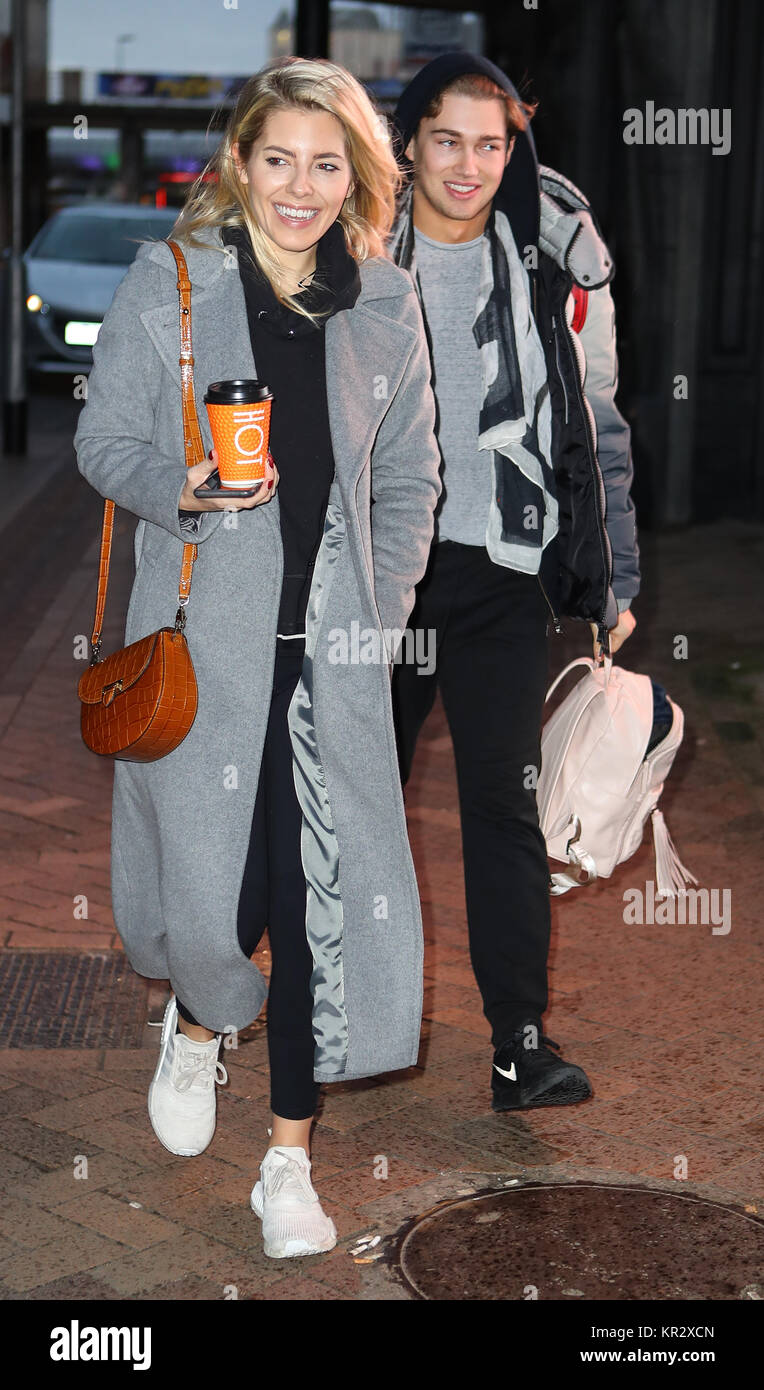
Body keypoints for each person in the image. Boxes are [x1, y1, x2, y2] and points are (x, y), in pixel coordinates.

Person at [74, 56, 441, 1259]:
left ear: (357, 177)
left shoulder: (383, 303)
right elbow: (103, 437)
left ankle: (288, 1160)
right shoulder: (172, 283)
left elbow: (406, 483)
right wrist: (173, 485)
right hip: (202, 651)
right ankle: (195, 1015)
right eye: (278, 159)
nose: (300, 185)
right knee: (217, 895)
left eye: (326, 164)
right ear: (240, 164)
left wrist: (373, 620)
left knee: (310, 894)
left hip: (327, 665)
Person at [388, 53, 640, 1113]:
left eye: (490, 143)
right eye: (446, 139)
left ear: (515, 143)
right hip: (380, 574)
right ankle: (299, 1000)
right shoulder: (356, 236)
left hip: (501, 565)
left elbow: (599, 422)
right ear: (409, 143)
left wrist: (612, 573)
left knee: (504, 801)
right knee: (348, 798)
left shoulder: (549, 245)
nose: (469, 164)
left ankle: (518, 1043)